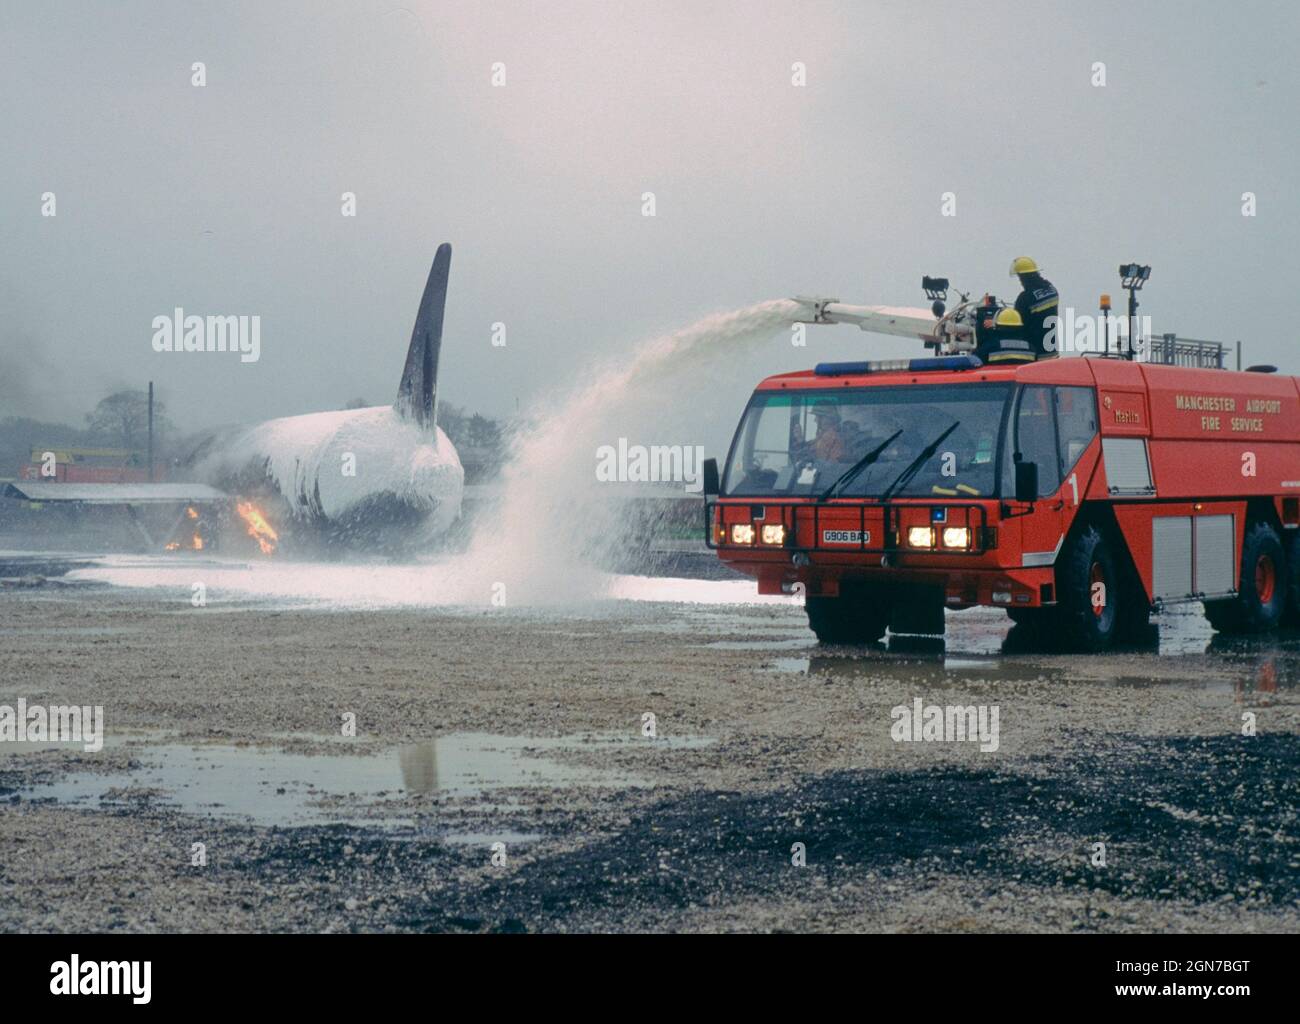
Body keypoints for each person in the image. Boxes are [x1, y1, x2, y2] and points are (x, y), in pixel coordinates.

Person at [1009, 256, 1059, 358]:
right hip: (1052, 351)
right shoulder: (1052, 290)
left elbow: (1016, 325)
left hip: (1036, 353)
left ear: (1023, 277)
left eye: (1020, 277)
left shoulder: (1025, 298)